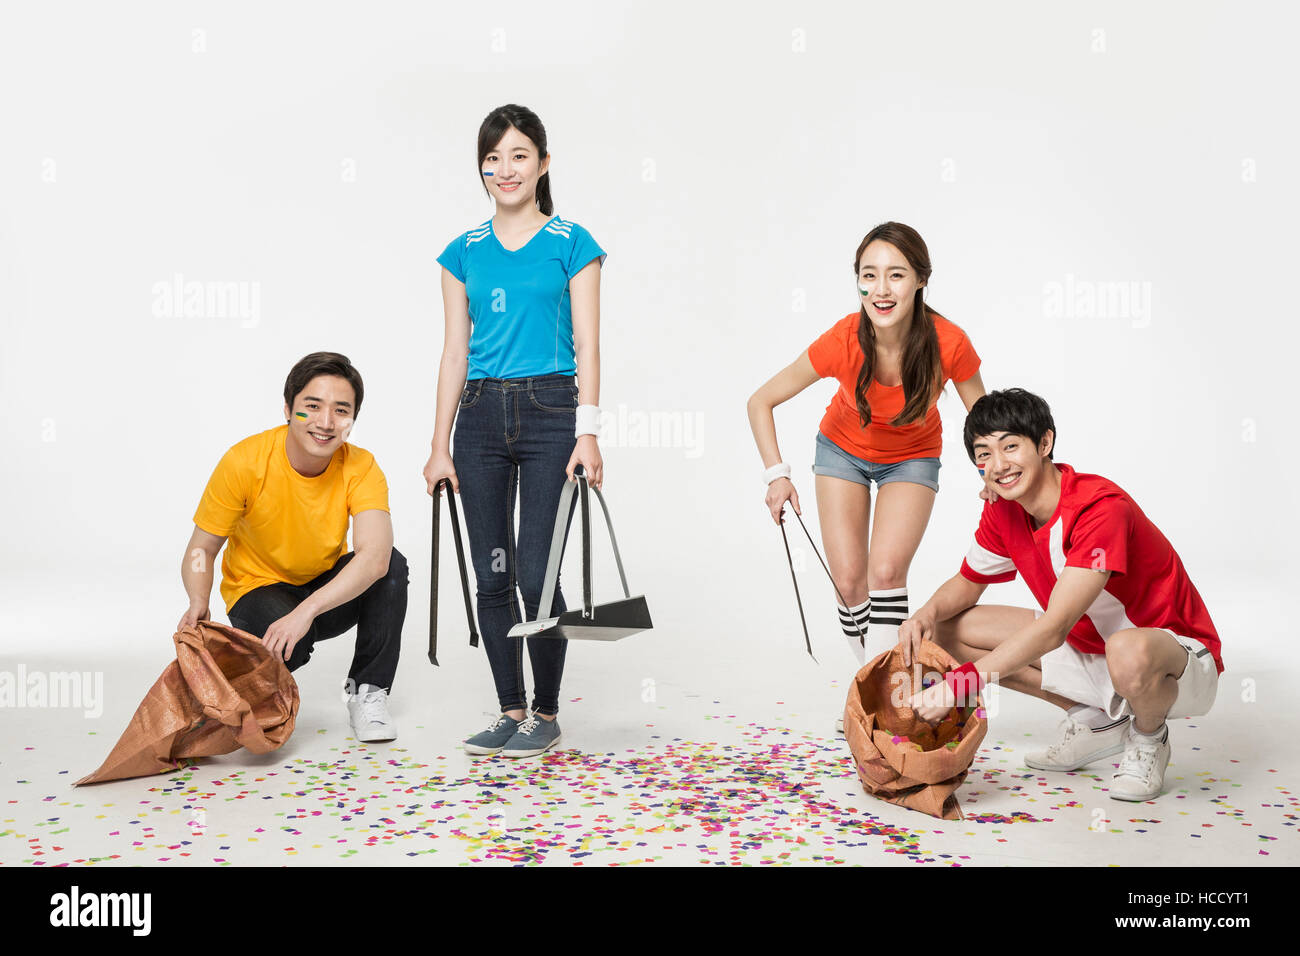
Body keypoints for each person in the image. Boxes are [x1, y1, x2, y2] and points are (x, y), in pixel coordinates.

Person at [901, 388, 1222, 802]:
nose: (998, 465)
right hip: (1094, 649)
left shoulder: (1099, 508)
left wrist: (958, 684)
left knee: (1128, 650)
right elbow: (967, 583)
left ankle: (1148, 738)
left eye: (1010, 446)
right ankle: (1094, 721)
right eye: (984, 454)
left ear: (1045, 443)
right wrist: (923, 615)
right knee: (947, 629)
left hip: (1174, 660)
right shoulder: (1003, 508)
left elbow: (1054, 628)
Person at [747, 221, 987, 730]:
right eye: (869, 275)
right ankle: (873, 683)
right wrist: (777, 475)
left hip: (913, 455)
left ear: (921, 280)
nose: (881, 289)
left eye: (896, 275)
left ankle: (879, 701)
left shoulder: (950, 342)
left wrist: (992, 471)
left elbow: (983, 418)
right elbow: (760, 400)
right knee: (851, 580)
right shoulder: (842, 339)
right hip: (842, 451)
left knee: (885, 575)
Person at [423, 104, 606, 759]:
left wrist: (588, 432)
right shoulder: (461, 253)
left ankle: (547, 714)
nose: (506, 168)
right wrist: (438, 445)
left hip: (552, 411)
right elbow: (452, 352)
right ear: (482, 167)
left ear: (543, 164)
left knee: (536, 573)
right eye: (494, 157)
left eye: (519, 155)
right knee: (492, 573)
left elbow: (587, 343)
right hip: (477, 418)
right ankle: (511, 709)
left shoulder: (571, 243)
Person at [180, 352, 408, 743]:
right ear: (288, 409)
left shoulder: (362, 466)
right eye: (312, 407)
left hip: (321, 591)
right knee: (290, 643)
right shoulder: (244, 461)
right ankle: (249, 695)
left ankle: (367, 693)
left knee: (393, 567)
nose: (325, 422)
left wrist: (306, 611)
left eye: (341, 410)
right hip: (258, 588)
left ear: (352, 419)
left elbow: (375, 557)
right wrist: (198, 599)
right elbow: (202, 547)